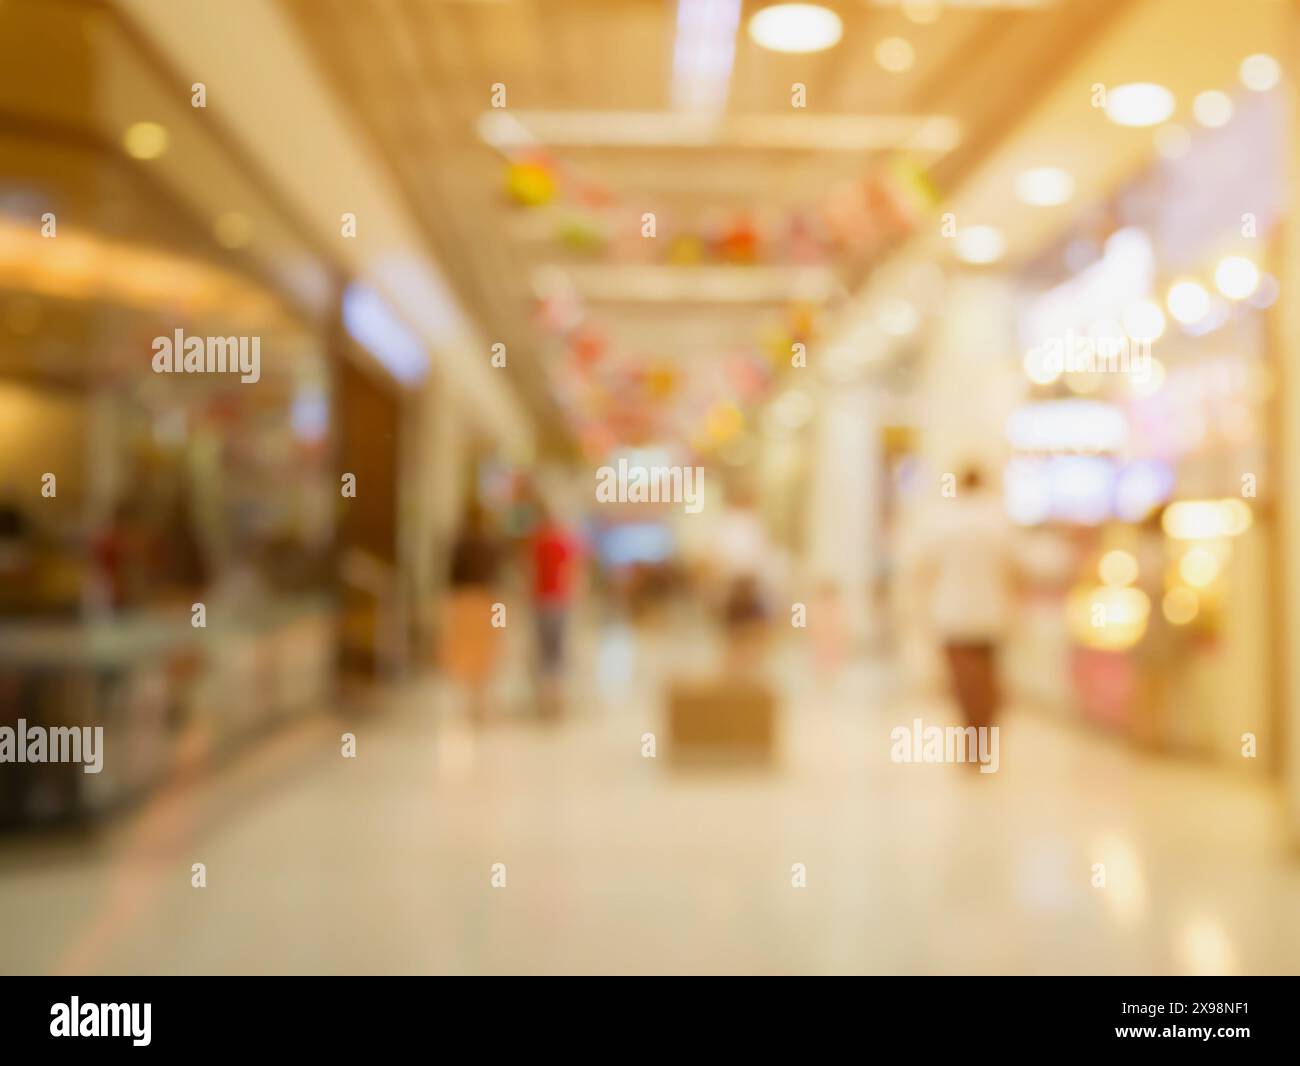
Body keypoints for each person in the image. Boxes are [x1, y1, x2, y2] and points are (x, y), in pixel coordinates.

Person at [916, 464, 1017, 738]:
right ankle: (982, 736)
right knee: (986, 681)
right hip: (991, 615)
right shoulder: (998, 521)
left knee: (962, 682)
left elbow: (924, 567)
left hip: (953, 614)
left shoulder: (945, 522)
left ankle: (970, 738)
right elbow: (1015, 566)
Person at [442, 503, 502, 723]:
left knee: (467, 647)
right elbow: (497, 574)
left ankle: (471, 698)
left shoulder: (460, 543)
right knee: (483, 649)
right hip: (485, 600)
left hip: (464, 600)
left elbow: (451, 576)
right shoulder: (490, 543)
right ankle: (480, 697)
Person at [529, 505, 580, 719]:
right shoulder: (563, 542)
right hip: (558, 601)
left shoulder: (538, 543)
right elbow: (573, 572)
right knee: (556, 649)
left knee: (544, 649)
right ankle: (556, 694)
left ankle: (546, 696)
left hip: (542, 601)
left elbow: (529, 571)